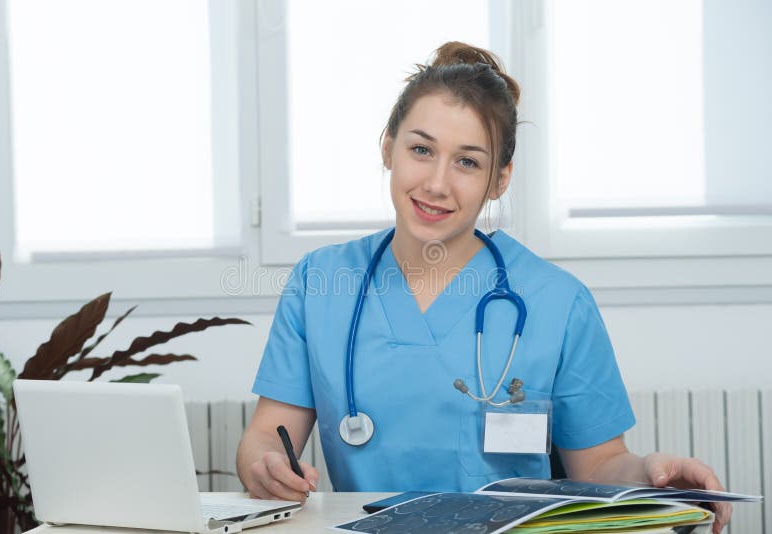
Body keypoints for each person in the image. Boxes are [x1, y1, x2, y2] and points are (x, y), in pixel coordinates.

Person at [236, 41, 731, 532]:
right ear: (387, 147)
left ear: (500, 179)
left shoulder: (557, 300)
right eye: (421, 149)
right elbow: (266, 437)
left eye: (468, 162)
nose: (436, 183)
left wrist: (650, 477)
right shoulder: (320, 283)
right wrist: (264, 465)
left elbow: (600, 468)